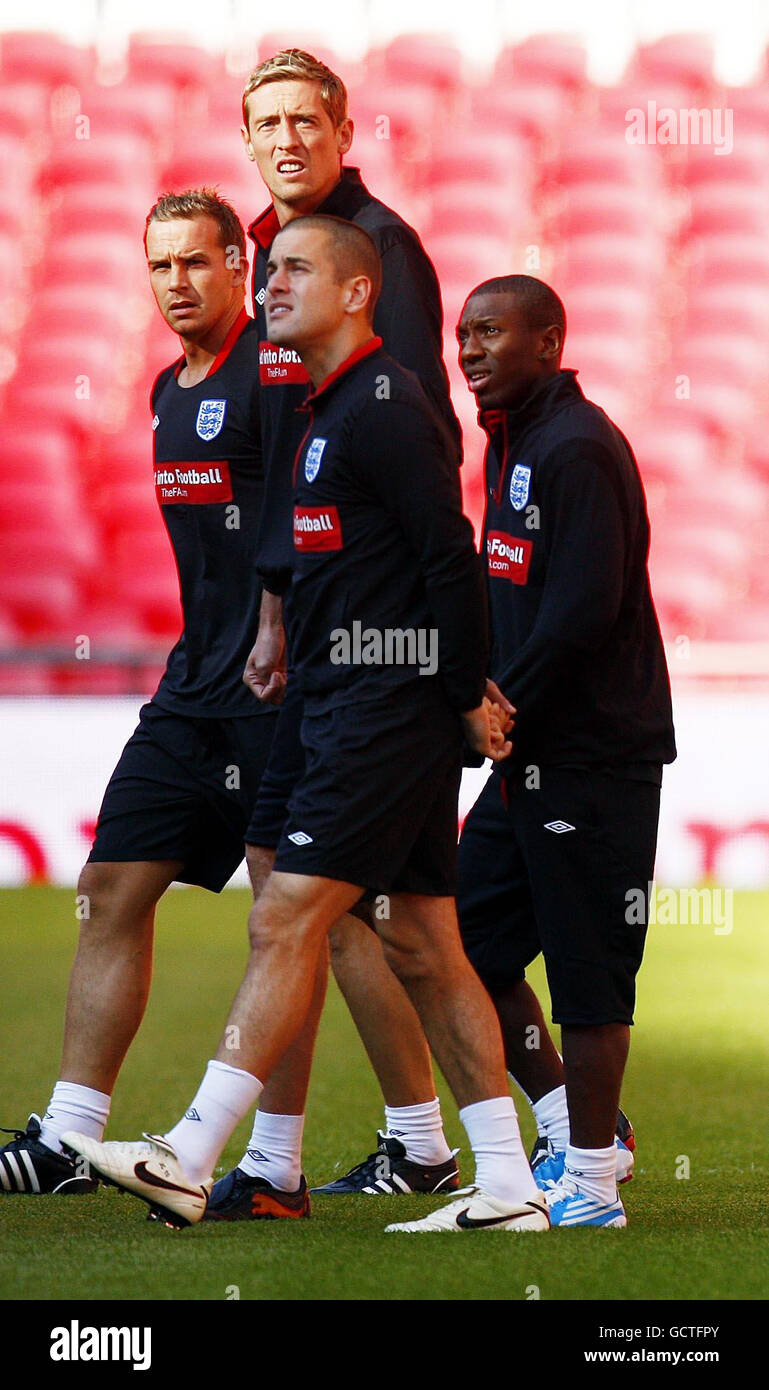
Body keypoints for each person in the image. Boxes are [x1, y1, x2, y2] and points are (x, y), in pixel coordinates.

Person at [61, 217, 551, 1238]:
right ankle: (507, 1184)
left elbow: (448, 559)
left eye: (290, 270)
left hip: (382, 706)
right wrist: (282, 634)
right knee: (421, 941)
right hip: (325, 701)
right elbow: (321, 554)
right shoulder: (327, 409)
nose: (270, 284)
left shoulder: (384, 407)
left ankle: (189, 1152)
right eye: (271, 270)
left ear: (358, 291)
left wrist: (461, 693)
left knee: (286, 916)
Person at [209, 47, 468, 1216]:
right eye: (266, 123)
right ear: (249, 137)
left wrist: (416, 658)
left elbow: (410, 444)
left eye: (306, 120)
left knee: (314, 896)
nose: (287, 140)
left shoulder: (374, 252)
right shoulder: (273, 256)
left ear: (342, 126)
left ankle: (249, 1153)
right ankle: (442, 1151)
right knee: (379, 911)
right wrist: (274, 600)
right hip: (311, 630)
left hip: (375, 654)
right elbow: (288, 459)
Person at [0, 191, 278, 1199]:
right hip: (188, 691)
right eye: (159, 267)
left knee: (304, 923)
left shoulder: (275, 379)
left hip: (272, 693)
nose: (176, 284)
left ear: (239, 268)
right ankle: (71, 1138)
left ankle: (374, 1144)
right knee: (109, 888)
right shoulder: (166, 390)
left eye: (197, 263)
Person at [455, 274, 676, 1227]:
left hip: (590, 754)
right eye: (462, 334)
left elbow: (584, 609)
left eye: (490, 332)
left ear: (547, 343)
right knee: (459, 943)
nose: (468, 349)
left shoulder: (578, 449)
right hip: (527, 752)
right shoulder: (514, 445)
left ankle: (588, 1189)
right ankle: (575, 1126)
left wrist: (499, 705)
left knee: (588, 973)